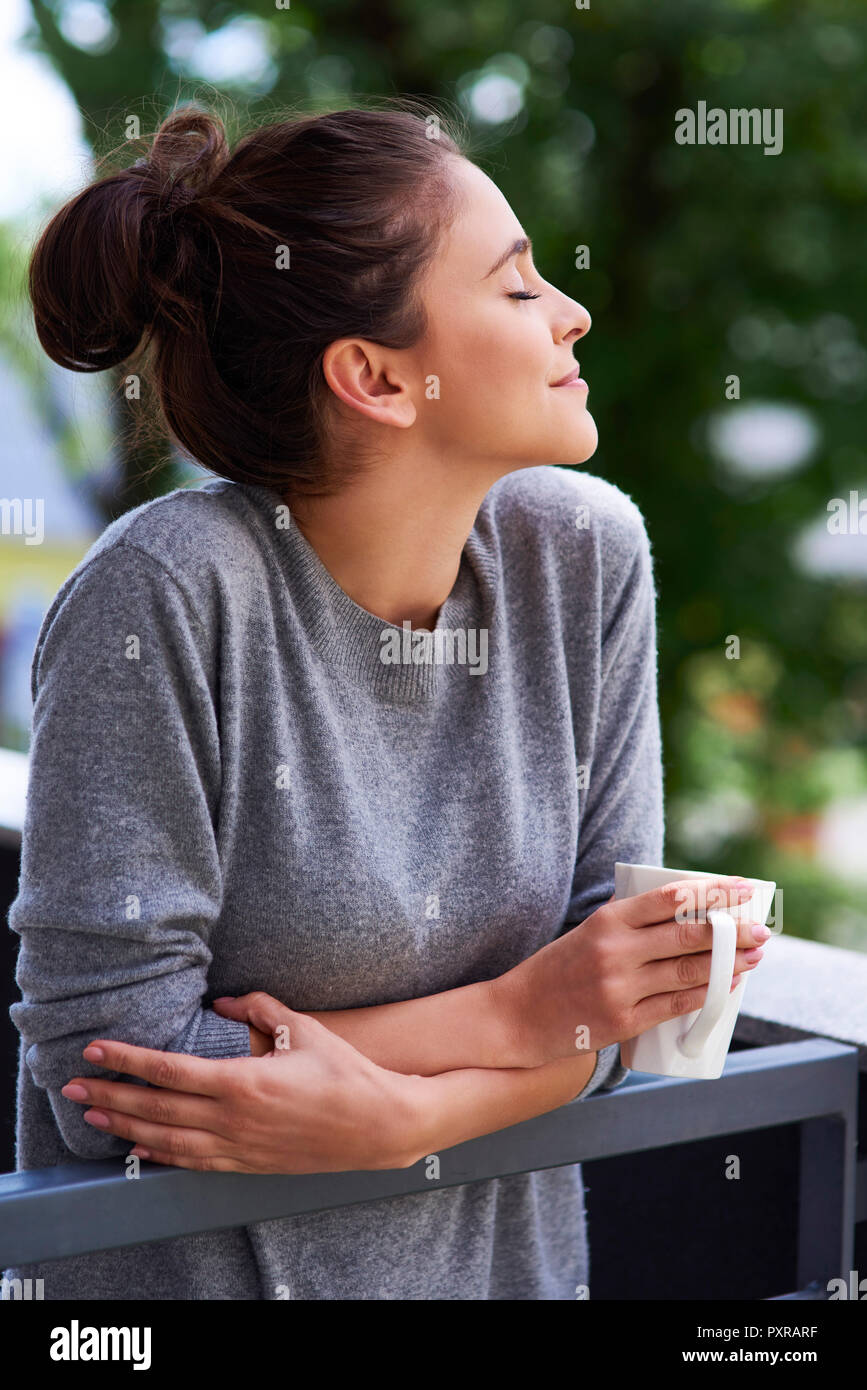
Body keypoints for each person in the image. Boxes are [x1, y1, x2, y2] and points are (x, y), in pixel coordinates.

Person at [5, 99, 767, 1300]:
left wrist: (386, 1129)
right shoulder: (163, 597)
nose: (572, 314)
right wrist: (523, 1019)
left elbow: (631, 999)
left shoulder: (586, 555)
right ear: (373, 375)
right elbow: (112, 1079)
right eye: (517, 290)